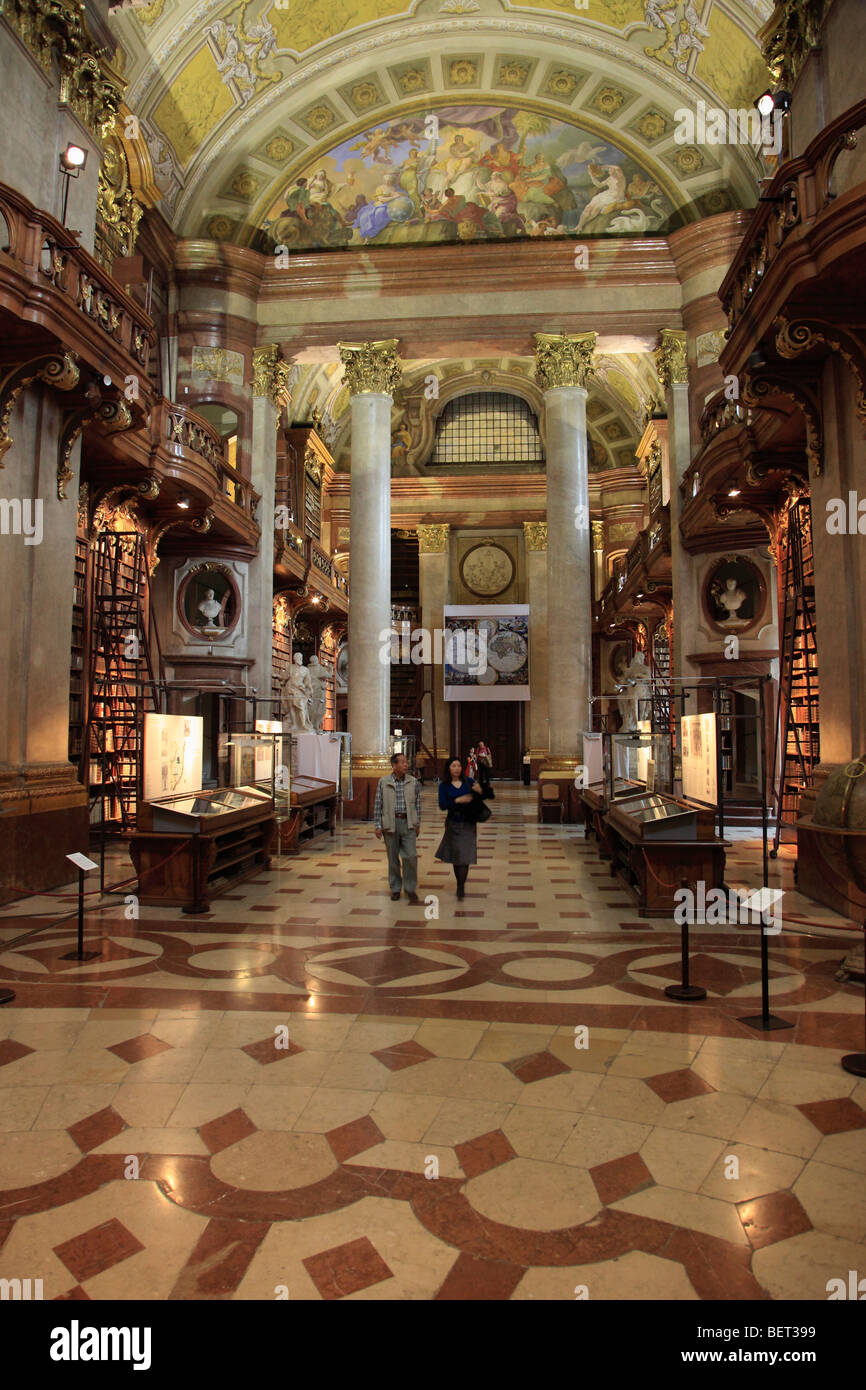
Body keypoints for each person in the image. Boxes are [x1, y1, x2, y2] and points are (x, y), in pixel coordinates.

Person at [374, 752, 421, 903]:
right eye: (402, 762)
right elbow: (378, 804)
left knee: (410, 856)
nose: (406, 765)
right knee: (393, 859)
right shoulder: (384, 782)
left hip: (407, 823)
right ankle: (395, 889)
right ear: (394, 765)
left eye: (406, 762)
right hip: (390, 823)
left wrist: (417, 822)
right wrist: (377, 825)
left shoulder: (413, 782)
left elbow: (417, 804)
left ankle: (410, 888)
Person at [436, 756, 482, 900]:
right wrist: (458, 800)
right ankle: (459, 883)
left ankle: (461, 885)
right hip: (453, 823)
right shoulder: (444, 786)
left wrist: (480, 791)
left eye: (459, 766)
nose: (457, 768)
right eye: (453, 766)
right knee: (457, 855)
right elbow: (443, 805)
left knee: (465, 855)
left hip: (468, 823)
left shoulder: (469, 782)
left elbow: (480, 797)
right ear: (448, 768)